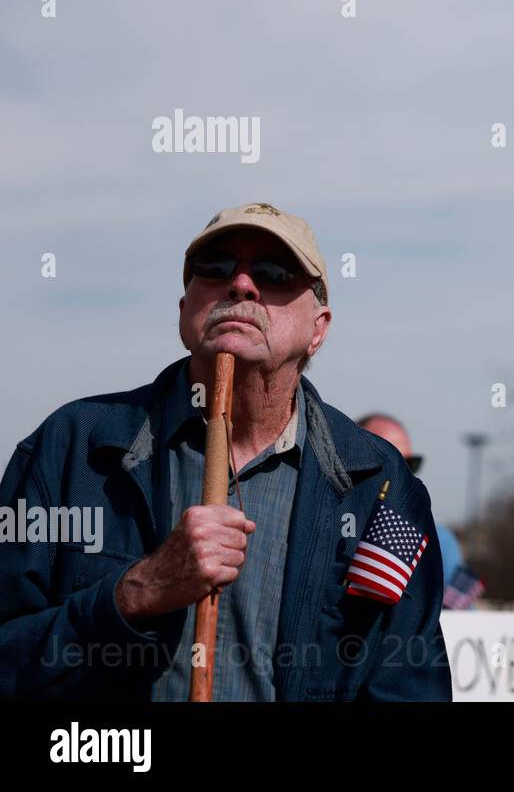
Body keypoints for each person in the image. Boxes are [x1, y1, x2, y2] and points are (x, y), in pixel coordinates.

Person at [0, 203, 451, 701]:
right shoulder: (72, 448)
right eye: (214, 269)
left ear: (318, 328)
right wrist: (134, 594)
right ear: (183, 310)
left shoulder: (382, 485)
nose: (240, 285)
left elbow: (409, 685)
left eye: (275, 274)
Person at [356, 413, 466, 594]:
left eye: (410, 463)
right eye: (388, 462)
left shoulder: (440, 543)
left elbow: (461, 618)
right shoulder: (323, 527)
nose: (402, 473)